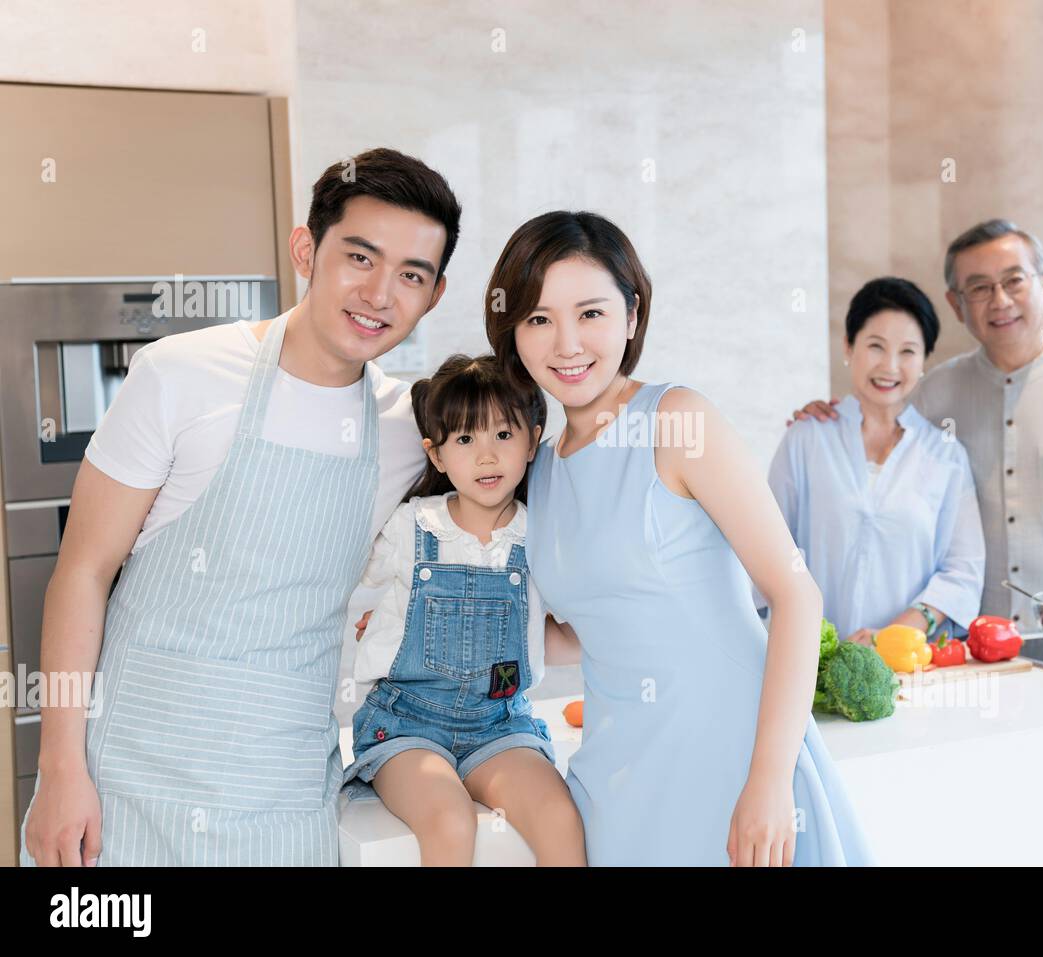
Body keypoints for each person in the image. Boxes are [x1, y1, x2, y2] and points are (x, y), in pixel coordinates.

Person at [21, 148, 460, 866]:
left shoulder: (410, 430)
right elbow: (82, 571)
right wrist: (60, 769)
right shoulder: (180, 374)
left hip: (279, 799)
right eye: (360, 256)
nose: (381, 294)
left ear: (434, 295)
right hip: (123, 787)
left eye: (412, 274)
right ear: (305, 248)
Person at [487, 210, 873, 866]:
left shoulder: (676, 419)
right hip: (620, 774)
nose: (566, 343)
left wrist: (770, 781)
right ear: (514, 333)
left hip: (735, 758)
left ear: (632, 316)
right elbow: (600, 624)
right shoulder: (542, 467)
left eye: (590, 313)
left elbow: (795, 591)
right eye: (539, 319)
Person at [791, 219, 1043, 625]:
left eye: (1014, 281)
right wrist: (828, 420)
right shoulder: (934, 391)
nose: (1000, 300)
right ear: (957, 305)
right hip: (976, 636)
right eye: (979, 288)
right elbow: (881, 439)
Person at [341, 354, 586, 866]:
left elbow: (553, 636)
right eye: (466, 440)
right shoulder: (411, 526)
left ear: (532, 441)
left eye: (503, 434)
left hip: (500, 726)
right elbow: (341, 590)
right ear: (436, 455)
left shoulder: (541, 536)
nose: (486, 456)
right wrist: (380, 620)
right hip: (406, 726)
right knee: (448, 820)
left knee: (561, 819)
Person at [764, 278, 984, 646]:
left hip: (906, 661)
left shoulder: (946, 455)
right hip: (810, 660)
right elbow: (767, 546)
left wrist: (899, 634)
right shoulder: (806, 438)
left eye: (908, 351)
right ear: (849, 347)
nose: (890, 366)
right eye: (876, 346)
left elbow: (963, 570)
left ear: (924, 360)